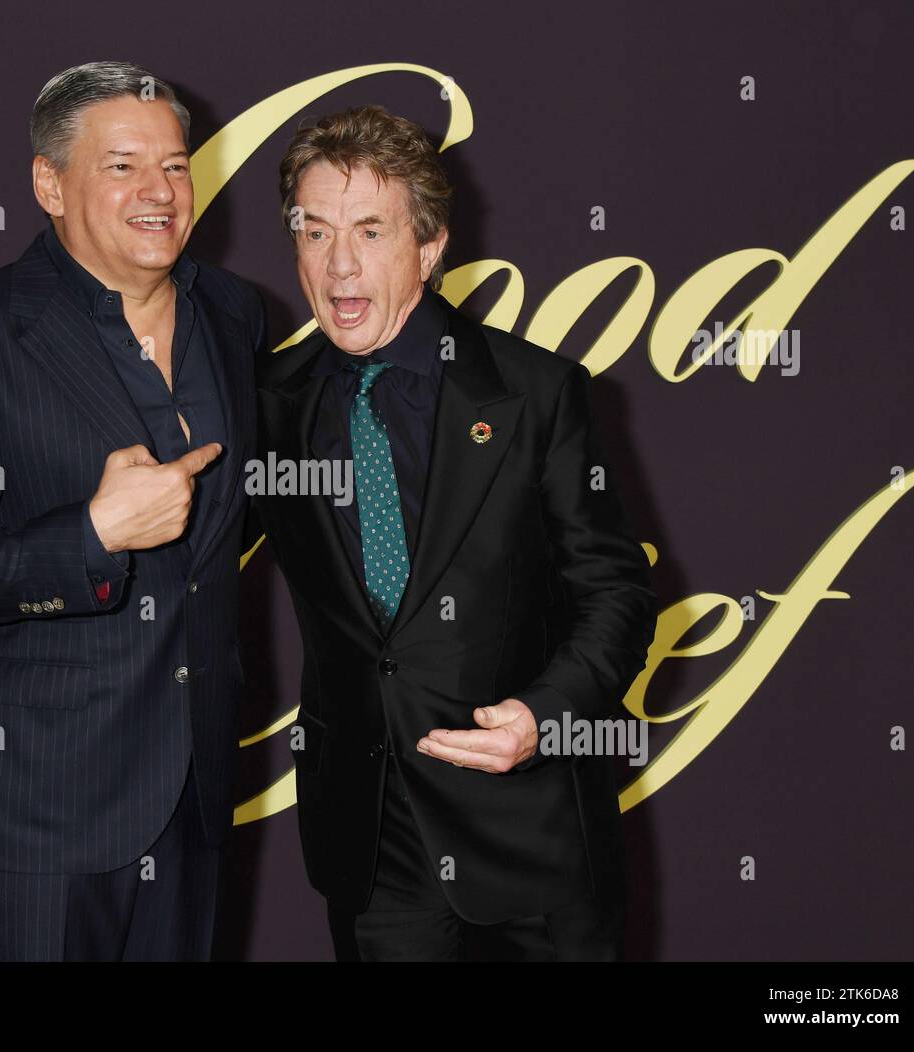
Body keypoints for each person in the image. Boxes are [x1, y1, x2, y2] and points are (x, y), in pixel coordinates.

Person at [254, 104, 657, 961]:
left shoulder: (535, 393)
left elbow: (616, 593)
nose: (339, 265)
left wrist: (543, 717)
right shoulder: (269, 403)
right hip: (373, 851)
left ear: (430, 247)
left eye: (370, 230)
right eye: (314, 232)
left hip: (534, 847)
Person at [0, 61, 264, 961]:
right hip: (38, 815)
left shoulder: (236, 313)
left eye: (175, 166)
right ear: (49, 184)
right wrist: (91, 536)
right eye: (123, 165)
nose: (159, 192)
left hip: (194, 799)